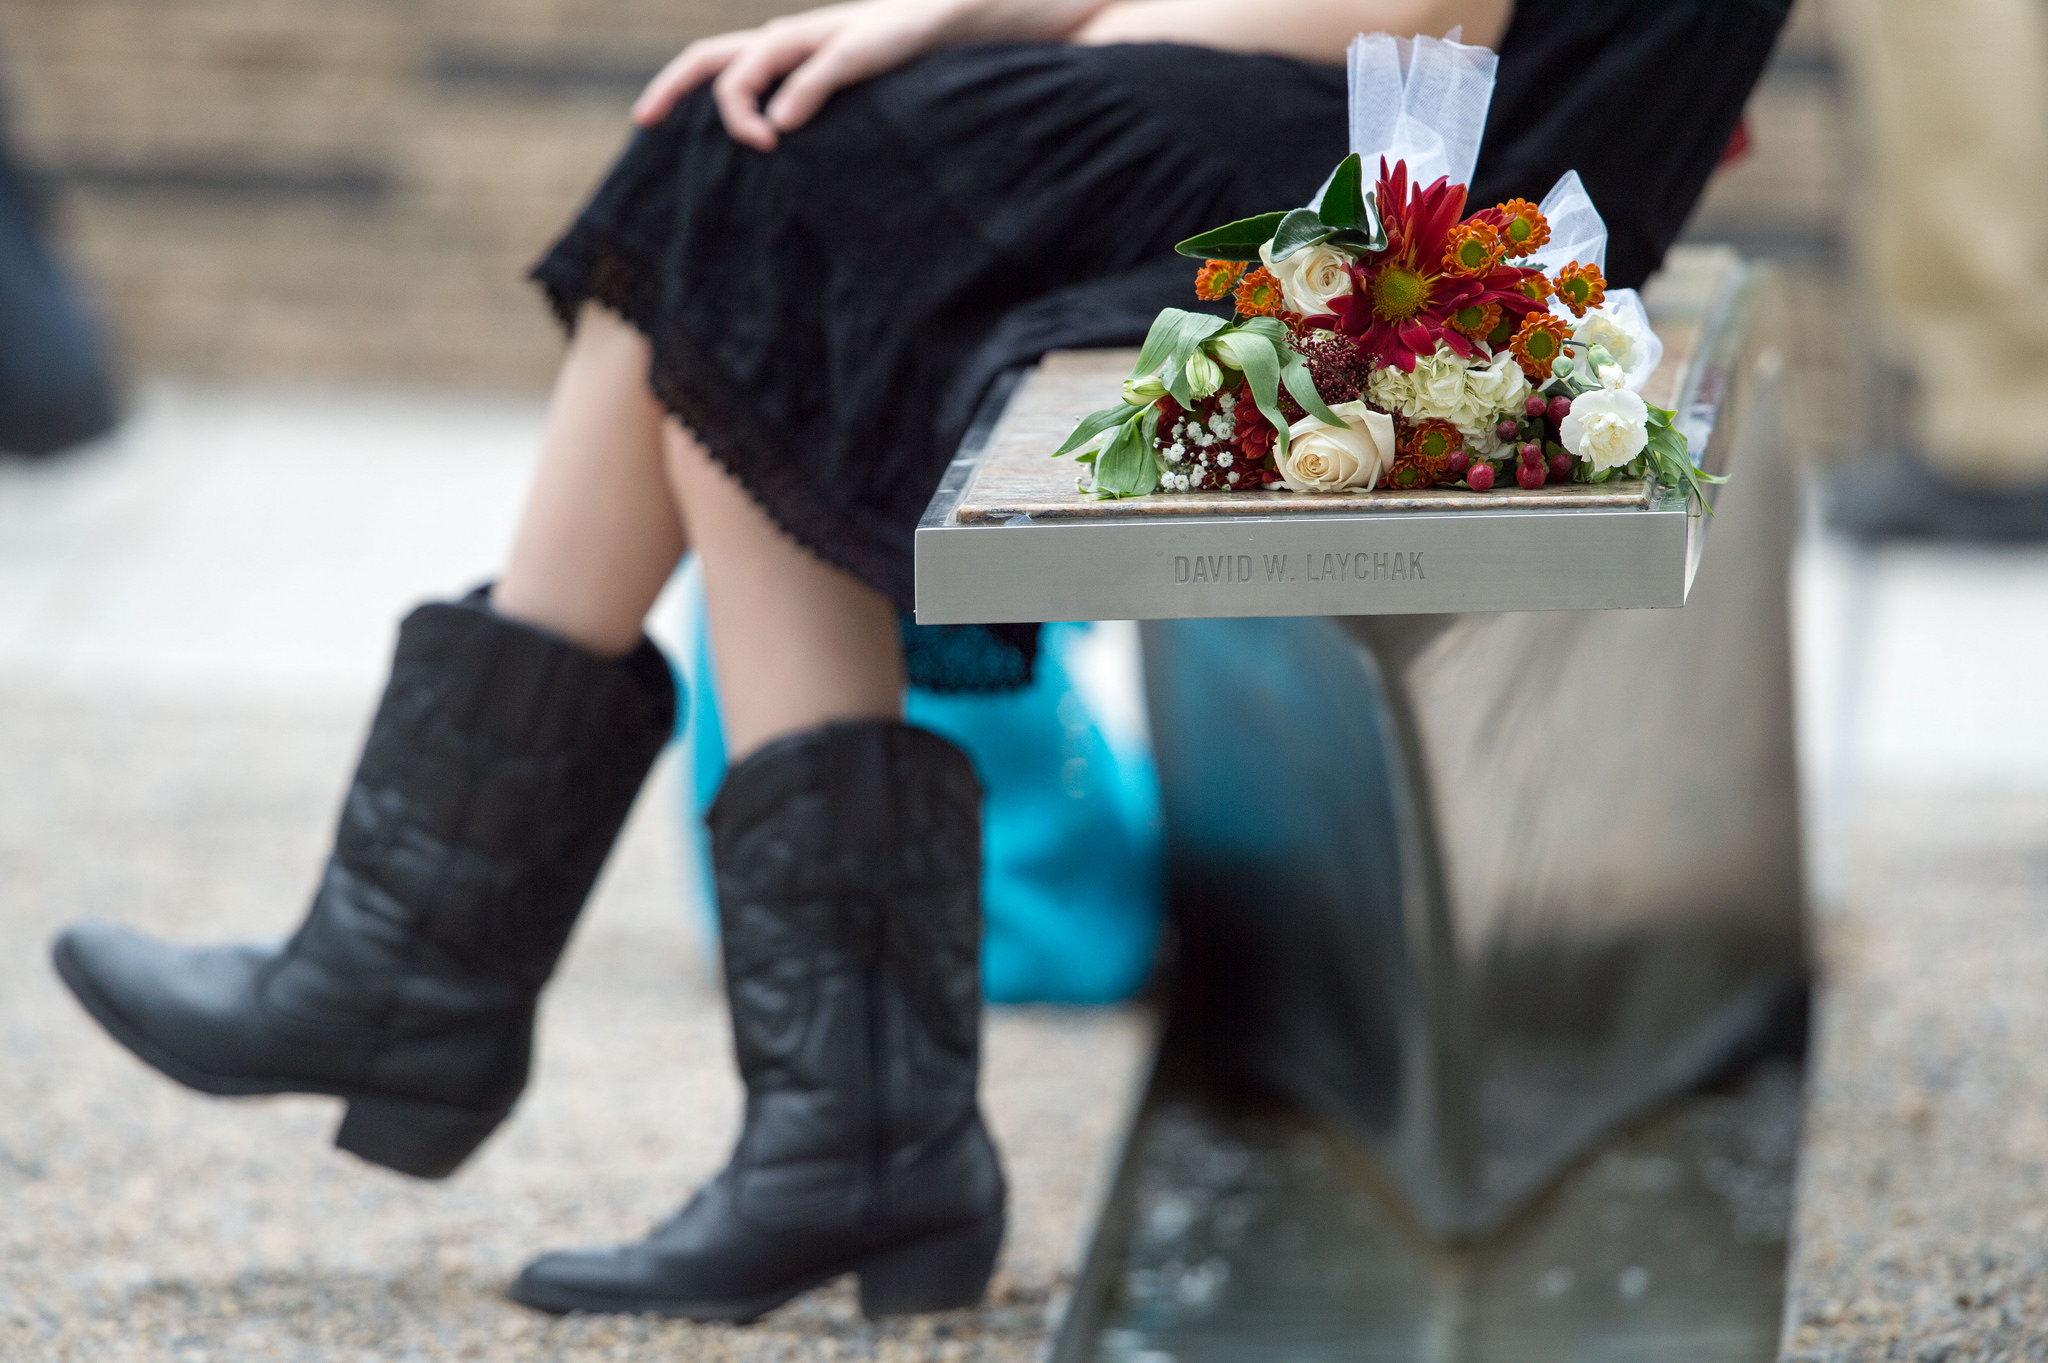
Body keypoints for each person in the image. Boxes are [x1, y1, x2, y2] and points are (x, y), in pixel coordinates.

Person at [48, 0, 1788, 1325]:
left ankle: (477, 988)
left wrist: (972, 26)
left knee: (766, 174)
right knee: (758, 174)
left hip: (1429, 174)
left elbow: (1399, 18)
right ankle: (792, 1117)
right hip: (1405, 122)